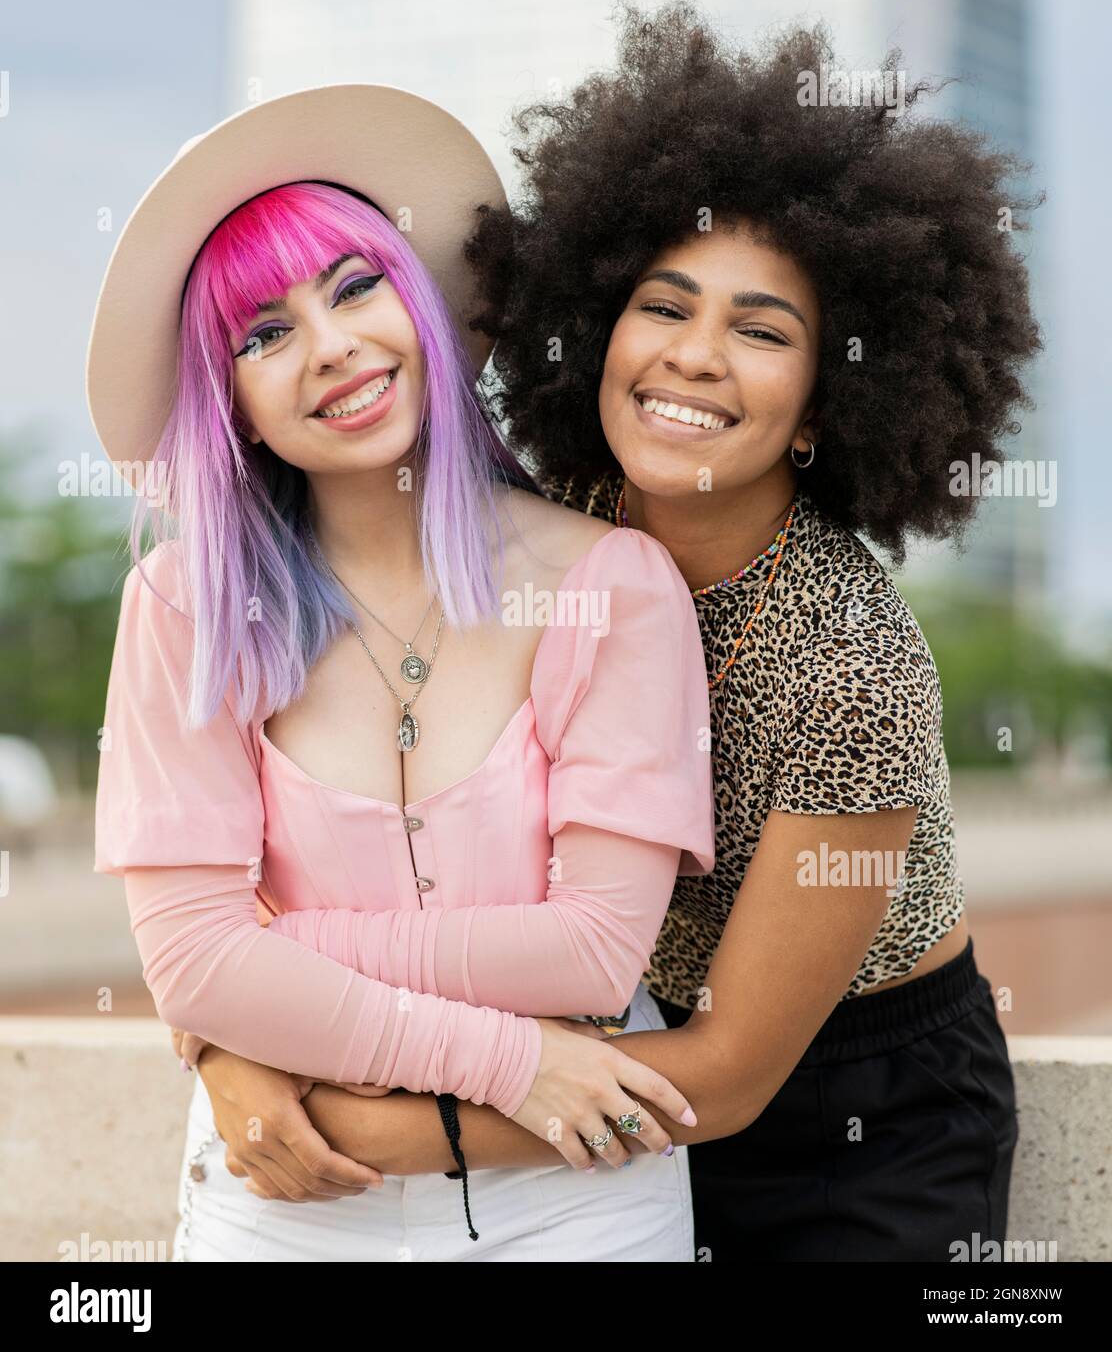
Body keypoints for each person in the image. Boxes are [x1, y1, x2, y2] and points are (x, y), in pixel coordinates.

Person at [455, 0, 1042, 1260]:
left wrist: (384, 1127)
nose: (695, 356)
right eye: (662, 307)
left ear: (827, 406)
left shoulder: (854, 666)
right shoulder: (536, 530)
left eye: (760, 330)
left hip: (866, 1115)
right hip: (624, 1049)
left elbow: (721, 1079)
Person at [88, 83, 717, 1262]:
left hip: (573, 1188)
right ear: (232, 404)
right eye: (261, 335)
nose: (330, 349)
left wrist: (250, 977)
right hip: (284, 1192)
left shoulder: (612, 583)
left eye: (355, 286)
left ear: (419, 301)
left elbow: (592, 954)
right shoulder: (180, 608)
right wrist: (506, 1052)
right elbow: (190, 964)